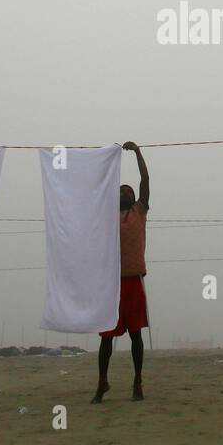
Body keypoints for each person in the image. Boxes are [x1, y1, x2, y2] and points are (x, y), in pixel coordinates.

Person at [92, 141, 150, 403]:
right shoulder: (107, 215)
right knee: (106, 337)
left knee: (136, 334)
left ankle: (137, 382)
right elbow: (96, 190)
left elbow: (145, 179)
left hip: (134, 281)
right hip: (111, 285)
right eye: (121, 190)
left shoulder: (139, 211)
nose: (126, 192)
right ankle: (102, 382)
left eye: (128, 190)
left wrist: (137, 152)